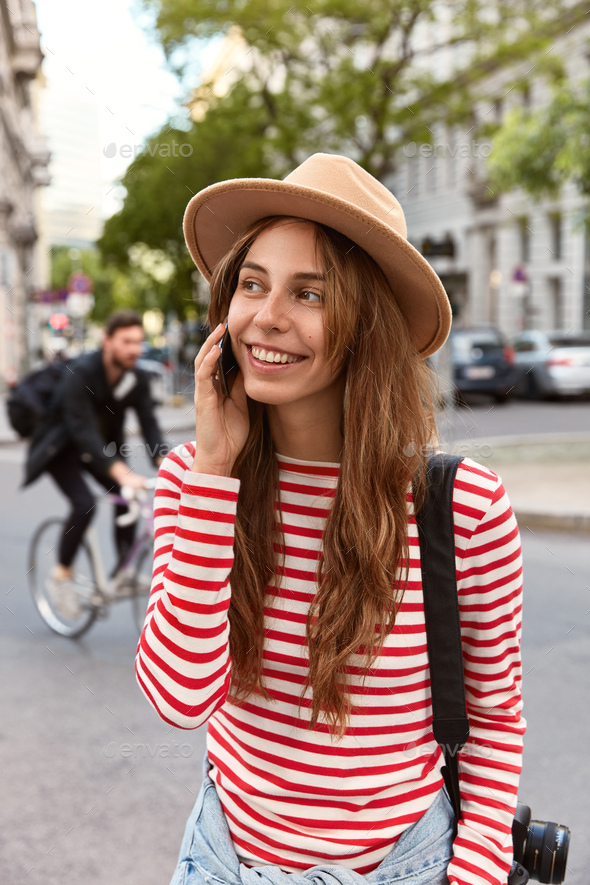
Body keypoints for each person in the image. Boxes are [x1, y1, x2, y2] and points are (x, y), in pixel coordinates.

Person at [135, 154, 525, 885]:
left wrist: (474, 874)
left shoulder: (462, 508)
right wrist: (216, 471)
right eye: (252, 283)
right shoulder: (192, 477)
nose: (266, 316)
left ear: (365, 326)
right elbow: (179, 698)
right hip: (222, 861)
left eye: (308, 293)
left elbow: (495, 721)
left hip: (403, 867)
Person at [25, 310, 166, 617]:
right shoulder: (81, 373)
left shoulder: (136, 378)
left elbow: (149, 423)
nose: (135, 349)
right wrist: (119, 470)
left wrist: (165, 463)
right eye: (126, 341)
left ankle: (124, 571)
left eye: (138, 342)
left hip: (103, 449)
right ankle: (61, 574)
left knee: (129, 497)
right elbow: (82, 429)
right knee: (84, 503)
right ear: (107, 341)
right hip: (62, 449)